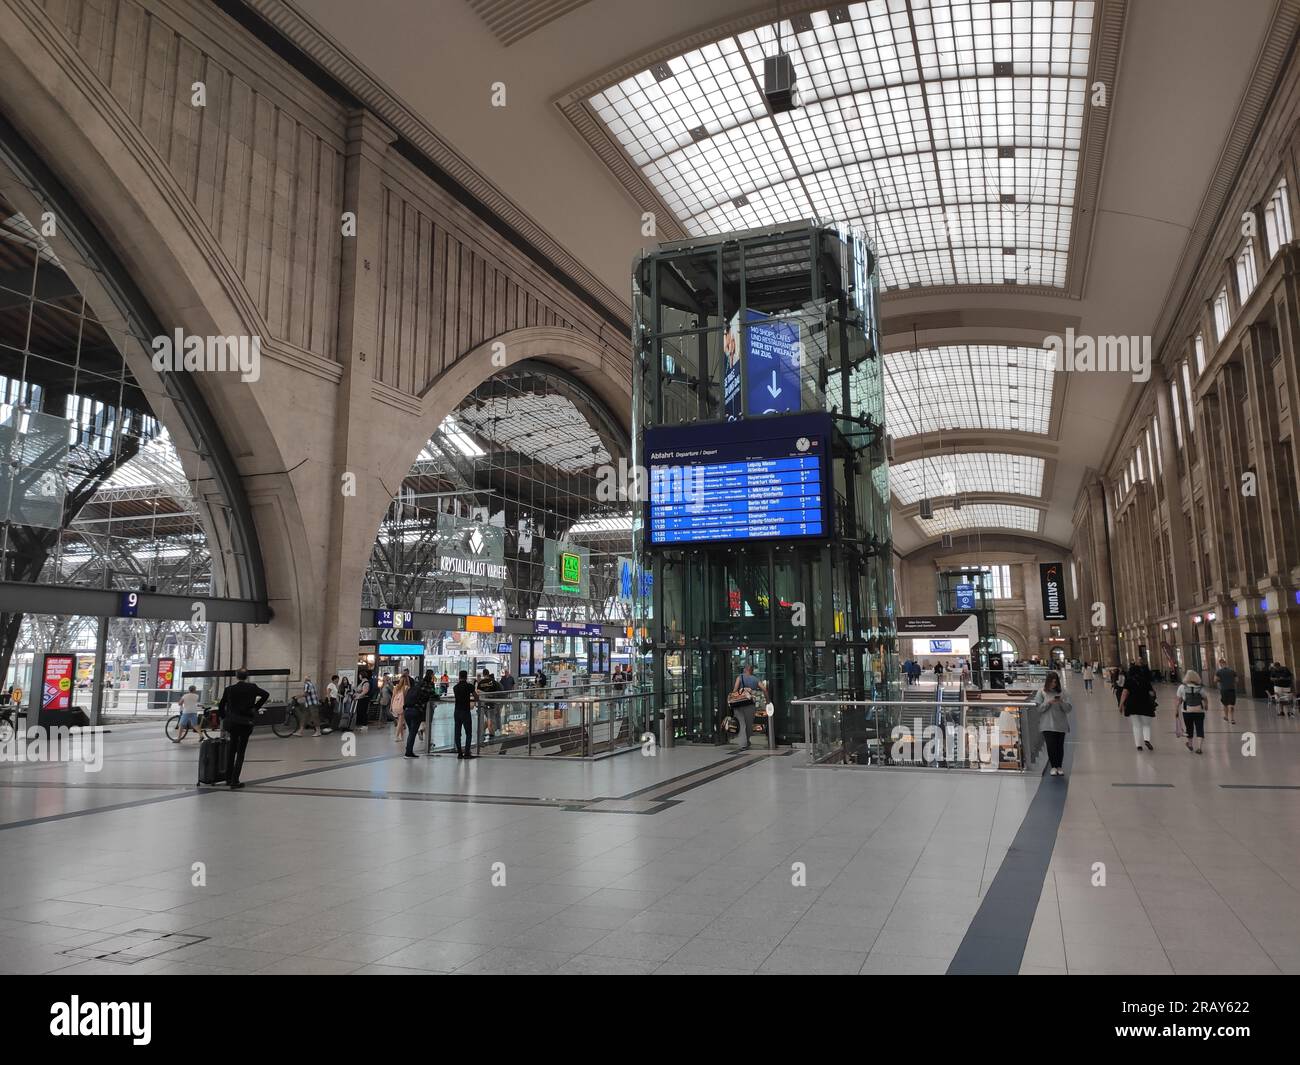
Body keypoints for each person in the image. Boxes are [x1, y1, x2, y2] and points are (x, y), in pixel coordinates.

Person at [217, 669, 269, 789]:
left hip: (232, 722)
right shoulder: (252, 687)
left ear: (236, 676)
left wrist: (224, 717)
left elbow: (221, 705)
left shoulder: (229, 689)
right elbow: (266, 694)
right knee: (241, 752)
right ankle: (235, 780)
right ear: (247, 676)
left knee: (231, 750)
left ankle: (228, 778)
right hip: (246, 722)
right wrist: (255, 707)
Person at [1033, 670, 1072, 776]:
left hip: (1060, 724)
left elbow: (1068, 708)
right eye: (1051, 682)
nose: (1053, 684)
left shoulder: (1062, 692)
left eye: (1055, 682)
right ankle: (1053, 766)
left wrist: (1061, 702)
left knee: (1059, 746)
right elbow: (1039, 709)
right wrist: (1048, 703)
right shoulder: (1041, 692)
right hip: (1047, 725)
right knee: (1051, 746)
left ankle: (1059, 766)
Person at [1120, 660, 1157, 751]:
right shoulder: (1145, 681)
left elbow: (1125, 693)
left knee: (1136, 725)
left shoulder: (1129, 681)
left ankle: (1138, 745)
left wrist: (1121, 704)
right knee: (1146, 725)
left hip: (1132, 705)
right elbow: (1152, 693)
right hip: (1145, 704)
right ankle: (1146, 739)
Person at [729, 664, 763, 751]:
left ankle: (743, 744)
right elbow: (764, 689)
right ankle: (746, 741)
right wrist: (768, 700)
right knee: (748, 724)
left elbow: (734, 691)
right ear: (751, 670)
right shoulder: (755, 679)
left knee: (741, 724)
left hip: (739, 705)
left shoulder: (739, 678)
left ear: (745, 670)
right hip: (750, 705)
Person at [1175, 669, 1207, 755]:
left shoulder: (1182, 687)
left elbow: (1178, 700)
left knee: (1189, 728)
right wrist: (1206, 706)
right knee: (1200, 728)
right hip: (1199, 710)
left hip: (1187, 711)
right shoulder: (1200, 687)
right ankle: (1199, 747)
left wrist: (1176, 710)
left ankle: (1190, 744)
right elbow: (1205, 698)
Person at [452, 670, 475, 759]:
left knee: (457, 733)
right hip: (465, 711)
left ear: (459, 676)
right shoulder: (469, 686)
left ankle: (459, 753)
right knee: (468, 733)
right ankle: (467, 753)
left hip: (457, 711)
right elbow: (476, 697)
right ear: (466, 677)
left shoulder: (455, 687)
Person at [1213, 658, 1238, 726]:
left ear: (1220, 664)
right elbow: (1236, 680)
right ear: (1226, 663)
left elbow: (1215, 680)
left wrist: (1220, 680)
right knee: (1231, 704)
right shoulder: (1232, 671)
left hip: (1223, 689)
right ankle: (1232, 718)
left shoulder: (1219, 671)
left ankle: (1226, 717)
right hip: (1232, 689)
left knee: (1225, 704)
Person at [390, 673, 410, 744]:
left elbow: (392, 697)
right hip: (402, 706)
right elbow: (407, 698)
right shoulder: (407, 688)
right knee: (401, 722)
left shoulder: (396, 687)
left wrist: (391, 706)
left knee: (399, 722)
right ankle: (396, 736)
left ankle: (401, 736)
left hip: (395, 705)